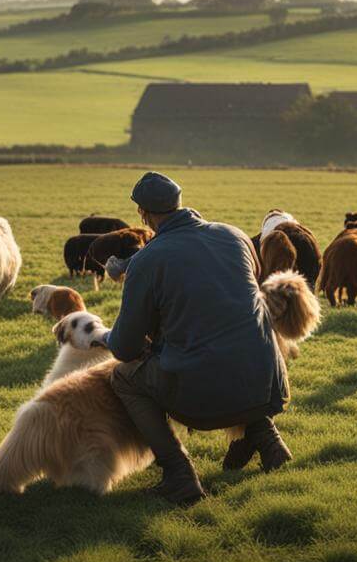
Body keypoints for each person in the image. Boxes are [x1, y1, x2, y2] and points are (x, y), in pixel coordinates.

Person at [106, 171, 293, 506]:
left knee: (124, 377)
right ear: (179, 202)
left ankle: (178, 474)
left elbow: (124, 347)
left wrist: (106, 335)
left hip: (203, 398)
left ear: (143, 214)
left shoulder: (147, 261)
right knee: (234, 341)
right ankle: (268, 441)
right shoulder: (235, 236)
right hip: (268, 384)